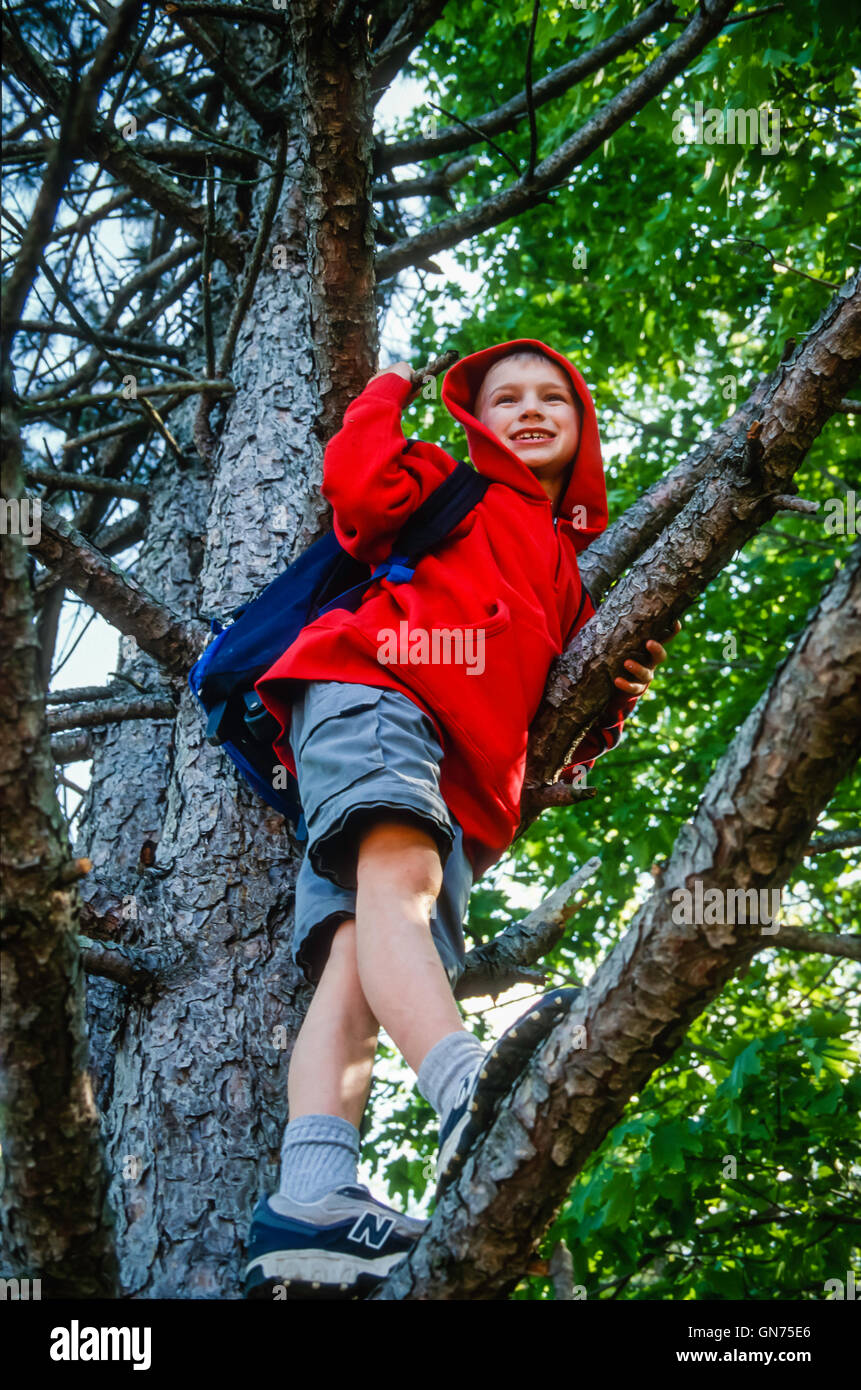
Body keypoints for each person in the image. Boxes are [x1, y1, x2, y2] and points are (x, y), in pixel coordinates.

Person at [243, 339, 678, 1299]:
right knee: (399, 891)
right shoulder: (457, 488)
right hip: (375, 689)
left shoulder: (570, 578)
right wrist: (386, 386)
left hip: (456, 779)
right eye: (504, 398)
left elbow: (552, 722)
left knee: (358, 959)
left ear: (583, 423)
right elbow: (359, 495)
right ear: (472, 417)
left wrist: (613, 700)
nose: (527, 409)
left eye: (551, 398)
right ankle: (464, 1087)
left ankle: (307, 1199)